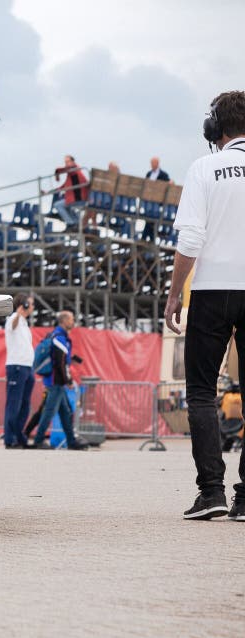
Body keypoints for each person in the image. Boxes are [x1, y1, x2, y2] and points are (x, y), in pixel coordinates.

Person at [165, 90, 245, 522]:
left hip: (213, 291)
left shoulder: (204, 168)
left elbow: (191, 238)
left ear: (215, 129)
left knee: (200, 391)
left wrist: (175, 293)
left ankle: (211, 492)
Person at [31, 310, 88, 450]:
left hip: (57, 382)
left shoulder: (57, 336)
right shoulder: (60, 338)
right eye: (71, 319)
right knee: (49, 411)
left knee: (65, 412)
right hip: (55, 382)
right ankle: (38, 440)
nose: (73, 322)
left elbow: (60, 360)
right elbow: (60, 363)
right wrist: (68, 380)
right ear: (64, 321)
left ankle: (71, 441)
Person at [3, 294, 35, 448]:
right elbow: (12, 325)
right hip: (16, 367)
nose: (33, 307)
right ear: (24, 305)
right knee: (14, 404)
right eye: (31, 304)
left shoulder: (25, 323)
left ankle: (19, 436)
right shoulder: (13, 319)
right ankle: (10, 439)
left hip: (27, 367)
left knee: (25, 406)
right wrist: (18, 312)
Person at [42, 155, 89, 228]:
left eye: (68, 161)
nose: (66, 164)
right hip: (76, 199)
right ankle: (78, 224)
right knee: (67, 207)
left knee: (58, 205)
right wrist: (47, 192)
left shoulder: (74, 170)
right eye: (65, 162)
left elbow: (63, 170)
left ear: (73, 162)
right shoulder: (71, 176)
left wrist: (57, 172)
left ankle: (71, 224)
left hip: (79, 199)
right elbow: (62, 187)